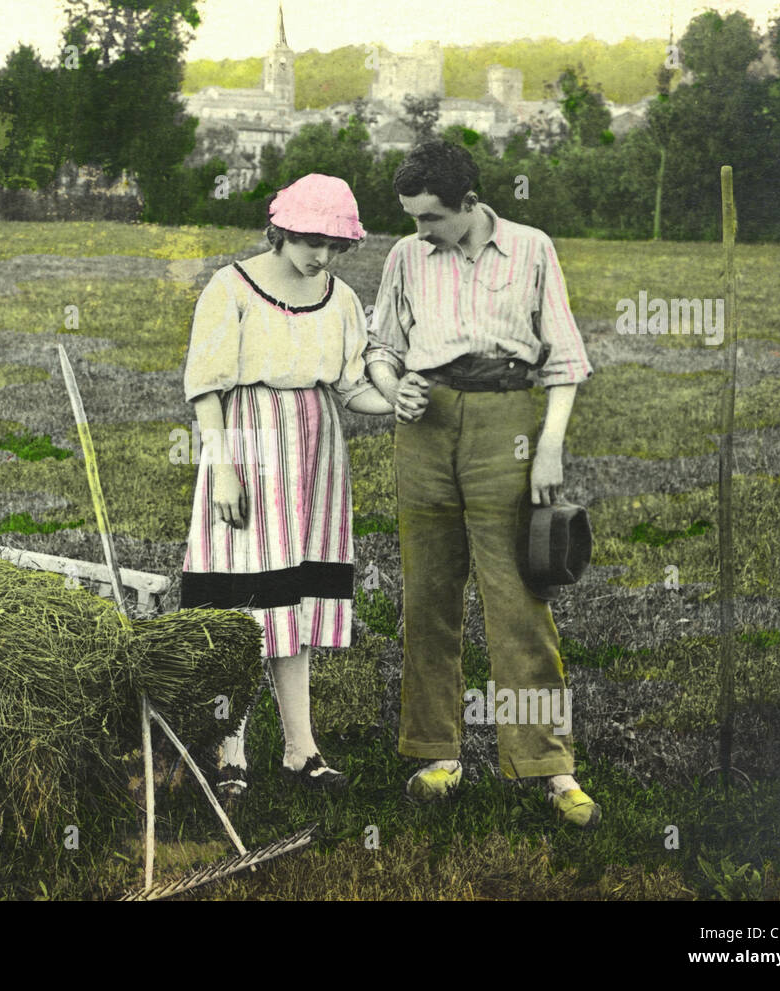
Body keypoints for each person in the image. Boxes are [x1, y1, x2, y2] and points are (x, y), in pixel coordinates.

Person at [364, 140, 601, 827]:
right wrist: (395, 384)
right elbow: (381, 347)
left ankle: (550, 764)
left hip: (508, 423)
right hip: (426, 428)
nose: (419, 232)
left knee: (518, 597)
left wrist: (549, 445)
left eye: (430, 218)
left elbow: (564, 357)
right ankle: (437, 752)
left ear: (468, 204)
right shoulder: (406, 258)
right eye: (411, 218)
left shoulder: (531, 249)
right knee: (428, 594)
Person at [180, 173, 429, 798]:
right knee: (240, 606)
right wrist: (224, 468)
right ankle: (229, 746)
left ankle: (301, 748)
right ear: (282, 229)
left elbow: (351, 387)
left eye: (334, 245)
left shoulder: (340, 297)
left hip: (316, 455)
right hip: (248, 441)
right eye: (311, 240)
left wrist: (401, 401)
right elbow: (207, 389)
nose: (321, 255)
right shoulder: (230, 287)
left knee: (292, 604)